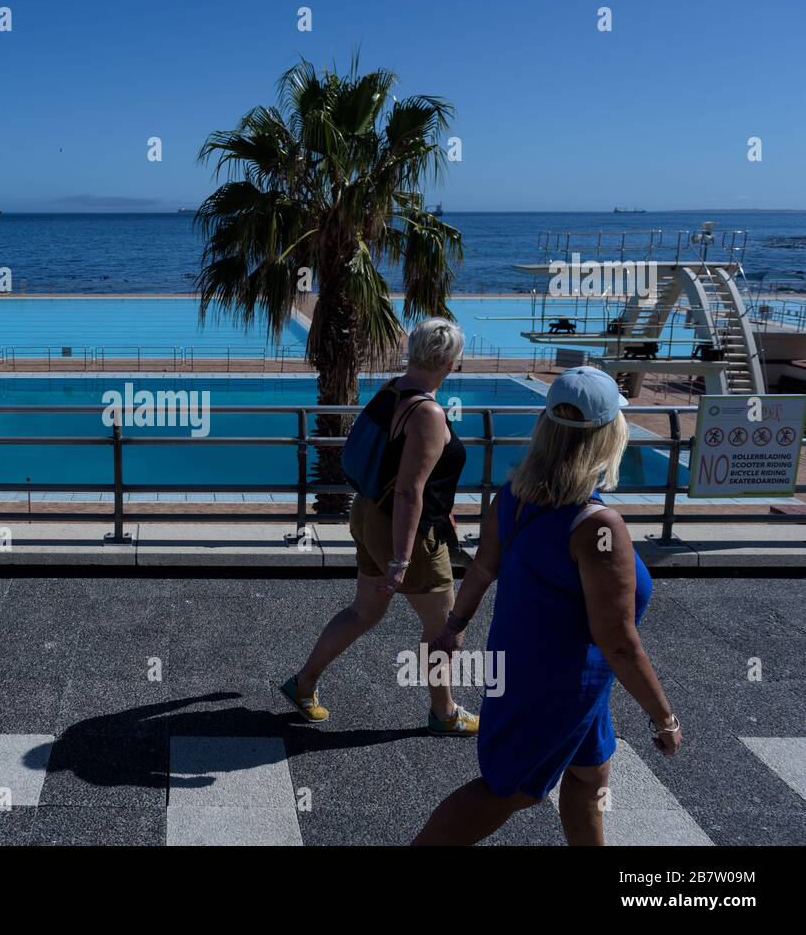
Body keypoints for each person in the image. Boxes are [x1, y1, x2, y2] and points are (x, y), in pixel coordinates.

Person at [413, 367, 681, 846]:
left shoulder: (514, 496)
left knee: (588, 778)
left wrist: (455, 627)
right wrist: (664, 717)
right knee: (508, 790)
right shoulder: (598, 526)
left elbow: (481, 570)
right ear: (607, 435)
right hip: (560, 684)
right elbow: (618, 641)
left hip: (542, 670)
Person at [281, 317, 478, 735]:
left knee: (364, 612)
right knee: (445, 629)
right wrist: (402, 560)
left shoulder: (394, 390)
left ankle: (303, 683)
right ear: (452, 361)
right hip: (406, 531)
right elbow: (409, 490)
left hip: (368, 513)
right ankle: (444, 713)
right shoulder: (427, 412)